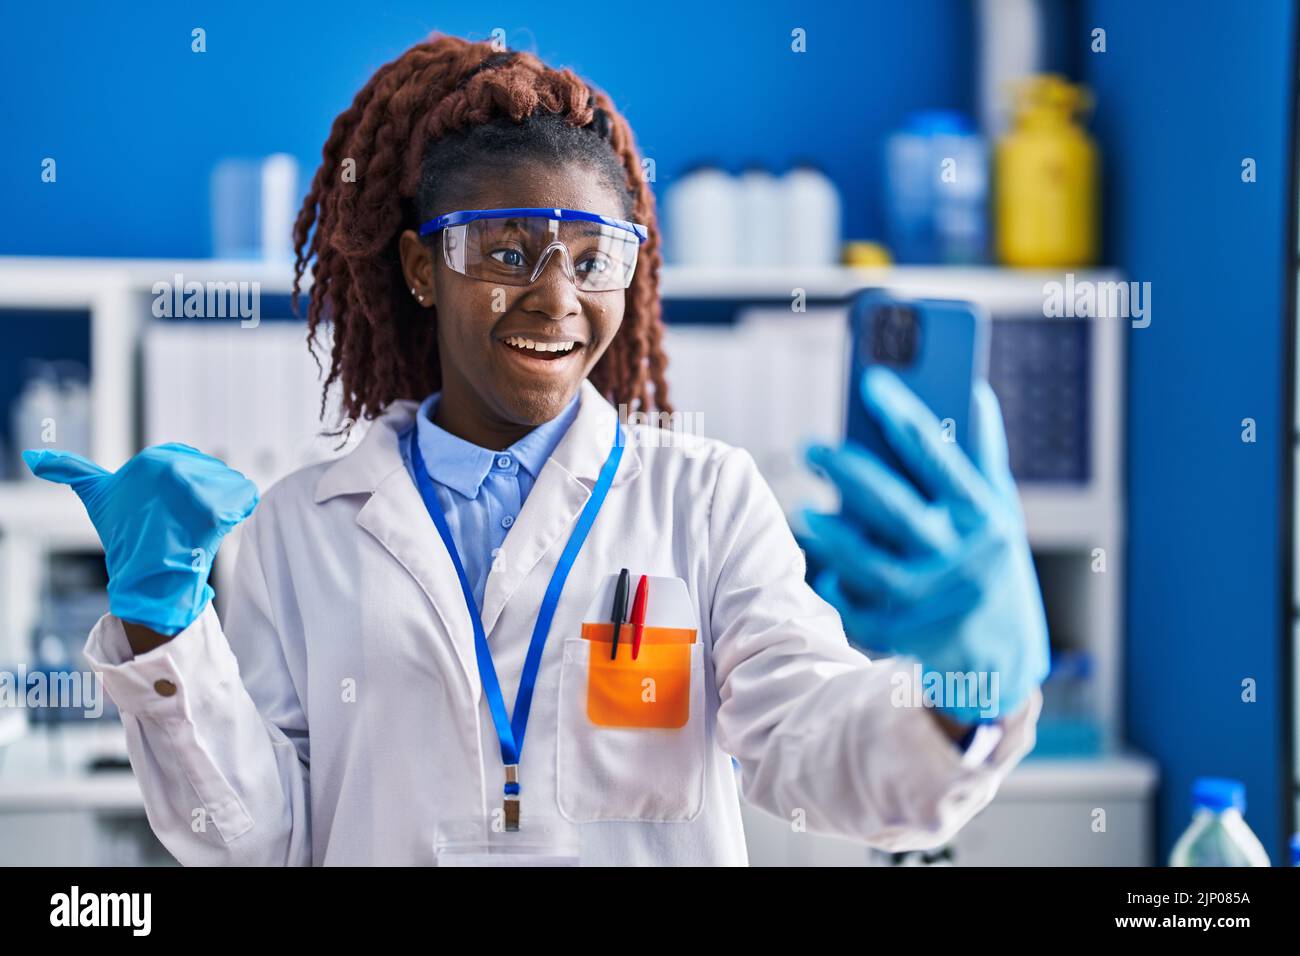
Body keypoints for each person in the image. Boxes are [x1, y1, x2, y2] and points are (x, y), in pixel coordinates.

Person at [23, 34, 1048, 866]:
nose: (557, 296)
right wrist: (163, 632)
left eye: (595, 258)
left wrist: (966, 693)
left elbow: (815, 744)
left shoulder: (702, 500)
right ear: (423, 267)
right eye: (507, 251)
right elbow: (252, 840)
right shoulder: (306, 524)